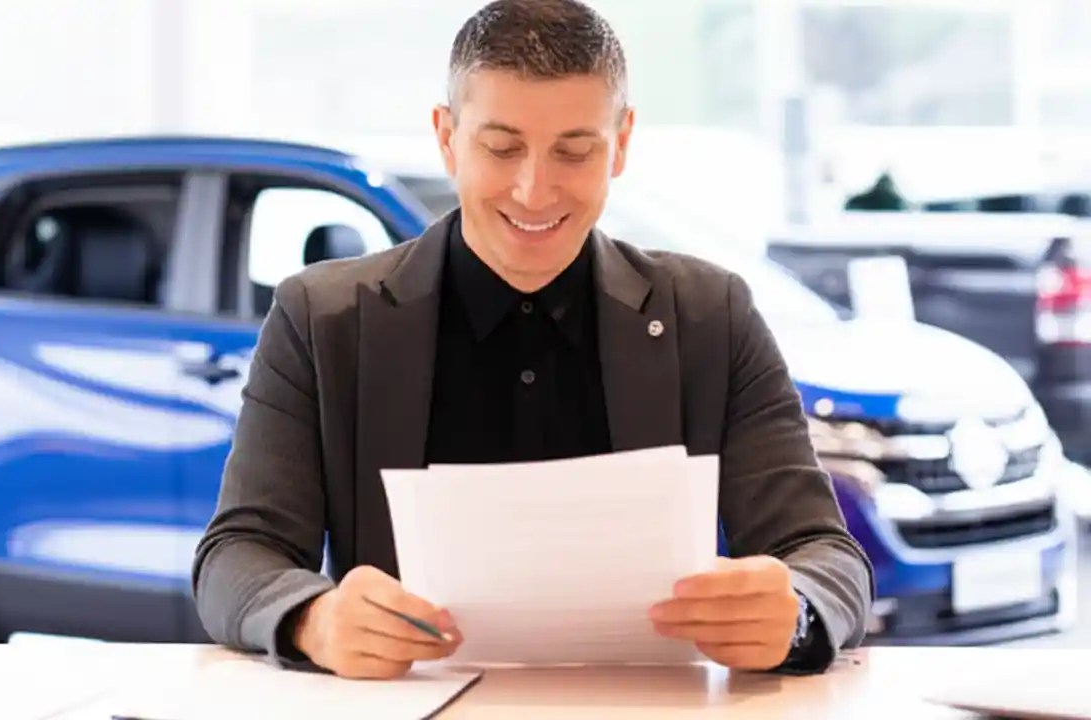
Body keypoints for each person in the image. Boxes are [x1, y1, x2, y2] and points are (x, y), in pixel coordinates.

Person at [193, 0, 874, 680]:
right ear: (447, 138)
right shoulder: (323, 319)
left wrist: (794, 614)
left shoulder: (709, 317)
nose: (534, 190)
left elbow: (825, 555)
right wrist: (313, 619)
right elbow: (237, 554)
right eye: (502, 148)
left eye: (574, 151)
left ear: (622, 143)